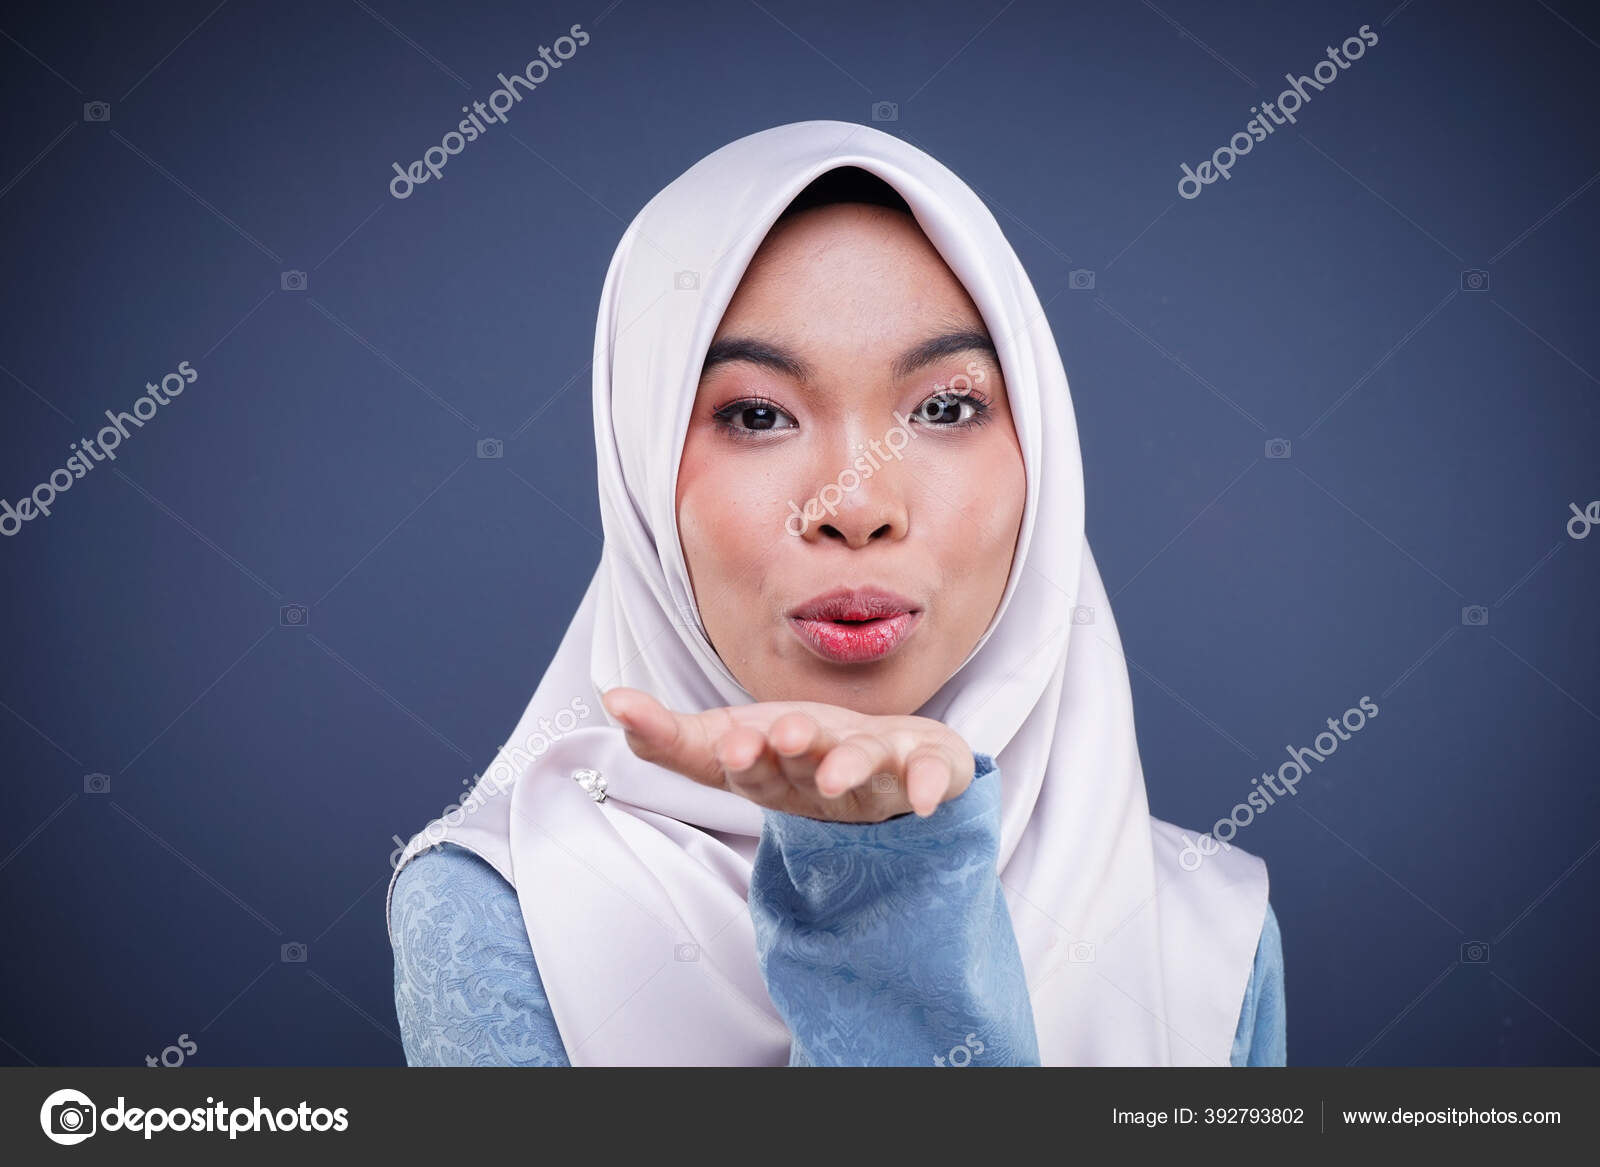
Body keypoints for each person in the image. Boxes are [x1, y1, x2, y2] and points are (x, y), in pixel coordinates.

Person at [386, 120, 1285, 1067]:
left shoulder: (1208, 933)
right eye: (757, 413)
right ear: (637, 465)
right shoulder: (508, 906)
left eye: (944, 408)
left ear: (1043, 459)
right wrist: (881, 882)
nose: (853, 504)